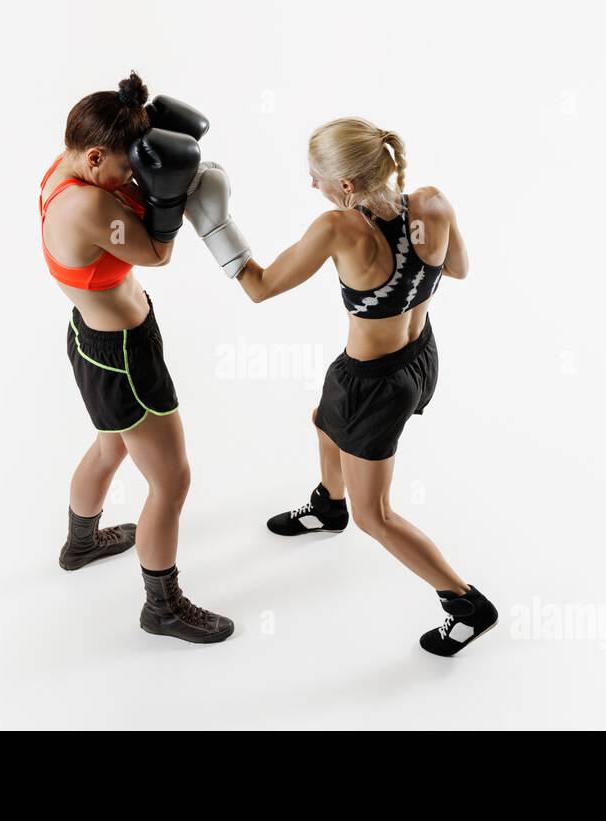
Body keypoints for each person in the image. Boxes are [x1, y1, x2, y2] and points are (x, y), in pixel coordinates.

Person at [182, 118, 494, 656]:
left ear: (346, 186)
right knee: (325, 420)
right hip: (419, 360)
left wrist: (212, 223)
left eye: (316, 178)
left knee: (377, 516)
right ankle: (329, 505)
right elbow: (460, 268)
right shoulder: (434, 202)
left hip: (374, 384)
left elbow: (258, 287)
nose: (313, 187)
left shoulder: (338, 228)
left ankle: (465, 603)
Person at [40, 72, 232, 643]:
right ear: (96, 157)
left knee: (110, 445)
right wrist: (169, 194)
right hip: (124, 356)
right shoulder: (88, 209)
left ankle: (80, 543)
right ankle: (162, 606)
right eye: (129, 166)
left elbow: (121, 198)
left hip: (90, 339)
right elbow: (157, 253)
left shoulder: (63, 166)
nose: (135, 175)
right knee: (171, 481)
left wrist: (144, 161)